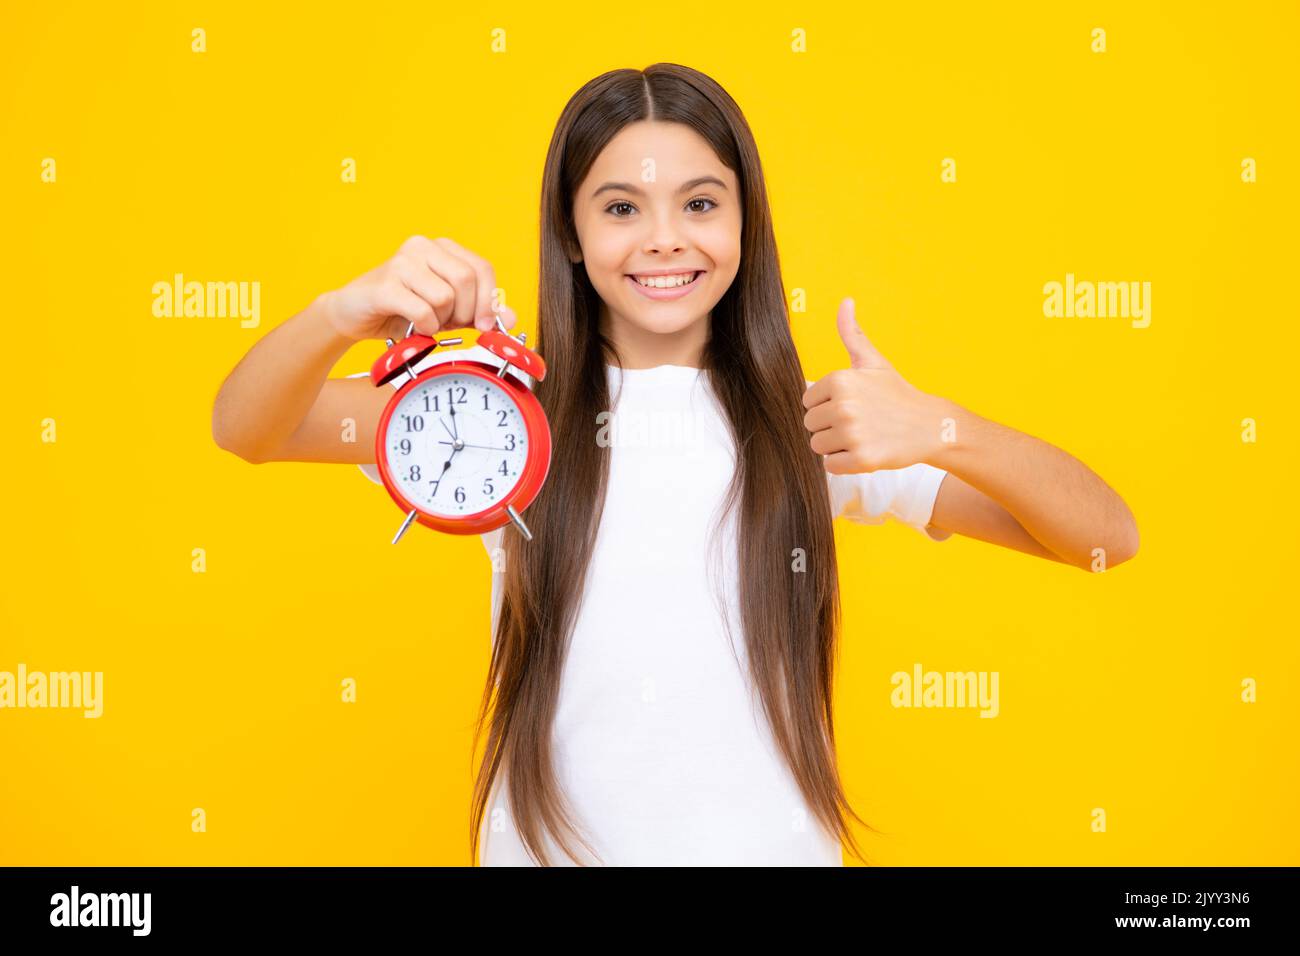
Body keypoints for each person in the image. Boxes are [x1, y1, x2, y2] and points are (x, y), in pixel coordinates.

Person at [211, 63, 1139, 867]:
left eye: (699, 204)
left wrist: (943, 427)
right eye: (621, 209)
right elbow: (248, 428)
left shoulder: (821, 427)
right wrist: (342, 312)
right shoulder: (498, 419)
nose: (664, 239)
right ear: (571, 233)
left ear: (745, 222)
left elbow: (1104, 538)